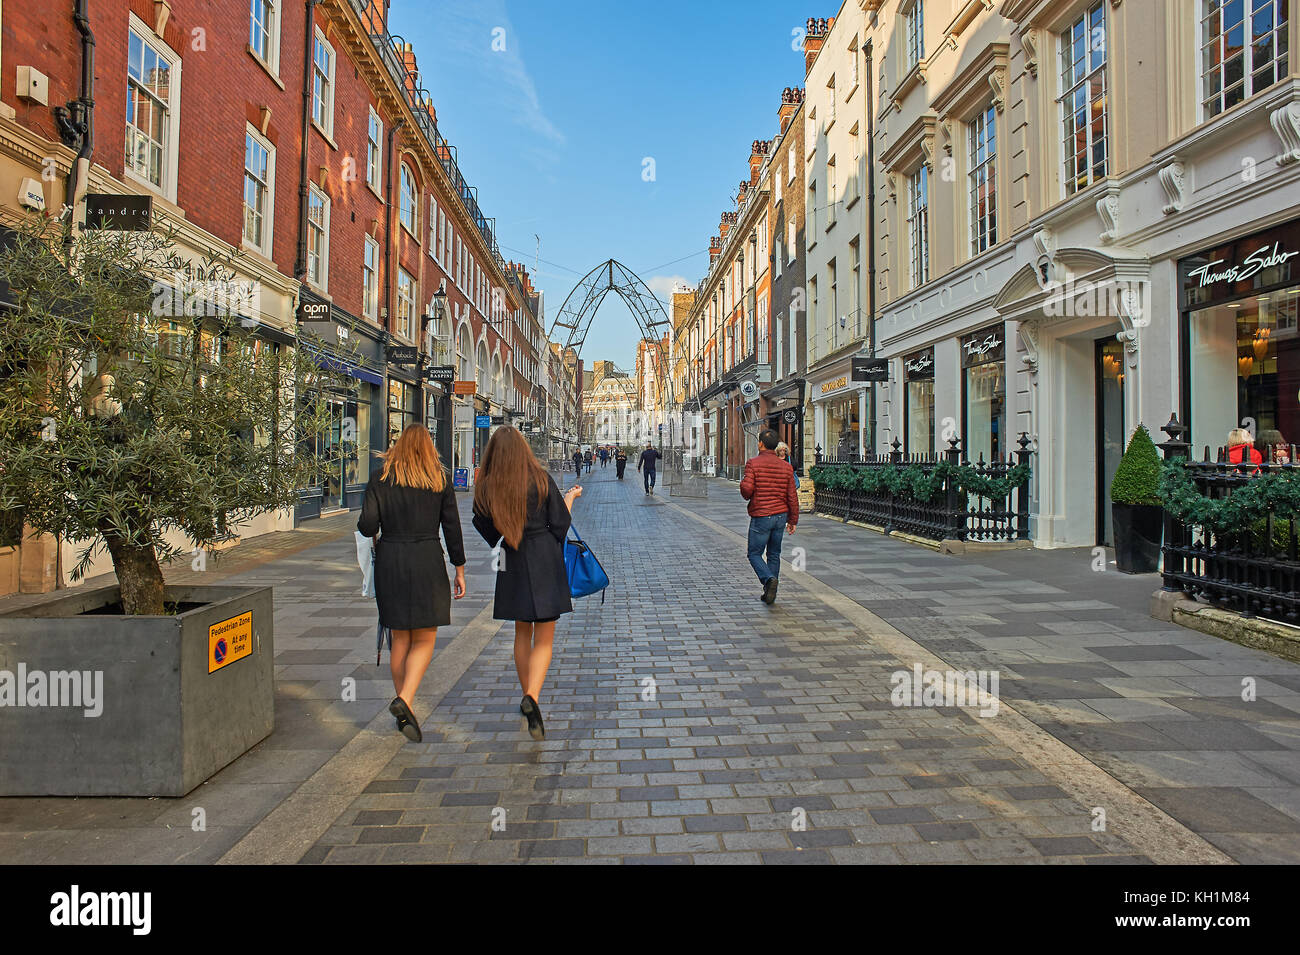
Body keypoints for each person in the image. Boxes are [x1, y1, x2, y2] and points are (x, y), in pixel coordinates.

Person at [357, 423, 467, 743]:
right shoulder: (438, 480)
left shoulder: (379, 479)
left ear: (399, 446)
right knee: (425, 636)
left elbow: (366, 526)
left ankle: (405, 703)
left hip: (391, 559)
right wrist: (459, 569)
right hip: (427, 559)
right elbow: (452, 528)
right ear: (429, 448)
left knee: (400, 637)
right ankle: (405, 700)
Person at [472, 426, 581, 741]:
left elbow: (486, 529)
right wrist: (571, 497)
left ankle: (527, 695)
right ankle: (532, 696)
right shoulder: (540, 479)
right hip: (544, 556)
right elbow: (559, 525)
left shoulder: (488, 486)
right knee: (544, 638)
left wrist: (505, 533)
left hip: (513, 558)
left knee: (522, 631)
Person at [740, 429, 799, 605]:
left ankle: (768, 580)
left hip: (762, 515)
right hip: (781, 515)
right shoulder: (786, 467)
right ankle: (770, 591)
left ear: (760, 444)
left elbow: (747, 491)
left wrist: (744, 483)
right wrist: (793, 519)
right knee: (774, 554)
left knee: (754, 553)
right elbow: (792, 496)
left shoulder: (753, 463)